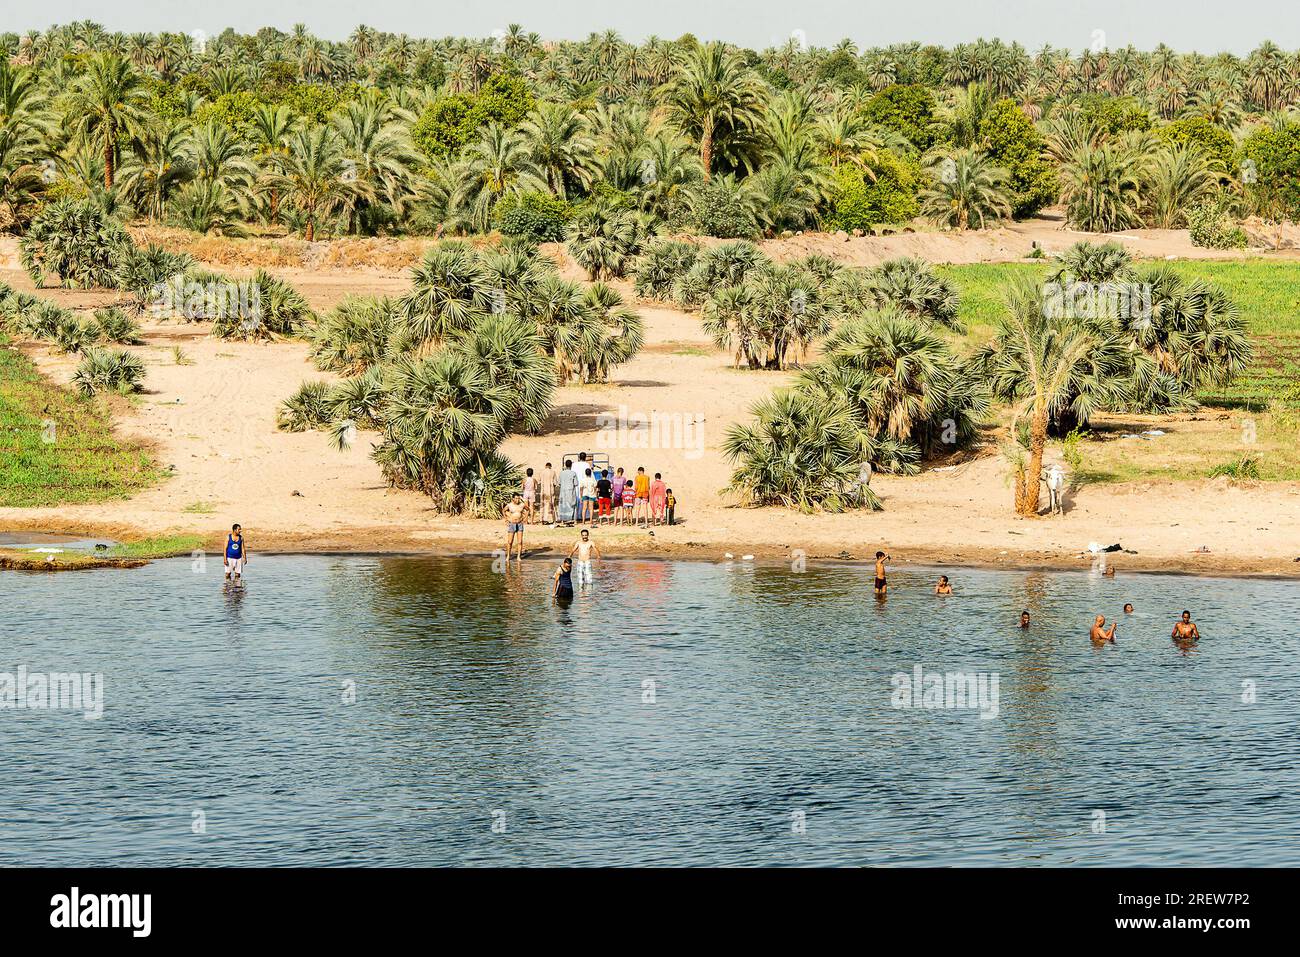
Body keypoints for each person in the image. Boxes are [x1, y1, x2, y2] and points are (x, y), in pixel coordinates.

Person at [502, 493, 526, 561]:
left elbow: (527, 510)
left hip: (520, 523)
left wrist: (525, 518)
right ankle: (508, 556)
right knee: (510, 542)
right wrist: (506, 519)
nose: (517, 500)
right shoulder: (510, 505)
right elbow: (503, 510)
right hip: (512, 524)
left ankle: (518, 557)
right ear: (513, 499)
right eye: (516, 498)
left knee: (520, 542)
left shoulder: (522, 505)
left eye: (518, 498)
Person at [558, 459, 578, 525]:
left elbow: (559, 483)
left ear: (565, 465)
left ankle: (563, 519)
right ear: (571, 465)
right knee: (572, 505)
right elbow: (576, 483)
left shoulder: (561, 473)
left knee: (563, 506)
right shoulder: (573, 473)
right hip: (571, 491)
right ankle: (573, 519)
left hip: (563, 492)